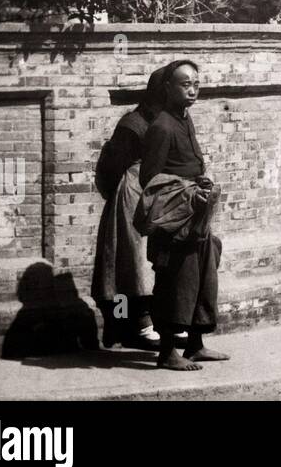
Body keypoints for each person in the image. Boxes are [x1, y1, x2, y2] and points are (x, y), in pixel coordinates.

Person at [139, 60, 228, 371]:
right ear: (168, 88)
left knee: (202, 278)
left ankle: (194, 345)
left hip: (196, 218)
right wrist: (186, 189)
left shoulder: (185, 120)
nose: (192, 90)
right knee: (173, 282)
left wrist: (201, 182)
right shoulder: (162, 127)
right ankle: (166, 353)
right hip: (173, 221)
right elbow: (149, 181)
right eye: (185, 84)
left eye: (196, 84)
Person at [91, 67, 164, 350]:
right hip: (131, 200)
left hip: (154, 199)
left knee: (142, 265)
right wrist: (123, 196)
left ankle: (126, 327)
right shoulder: (133, 124)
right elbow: (111, 168)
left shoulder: (166, 121)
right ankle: (125, 327)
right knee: (127, 265)